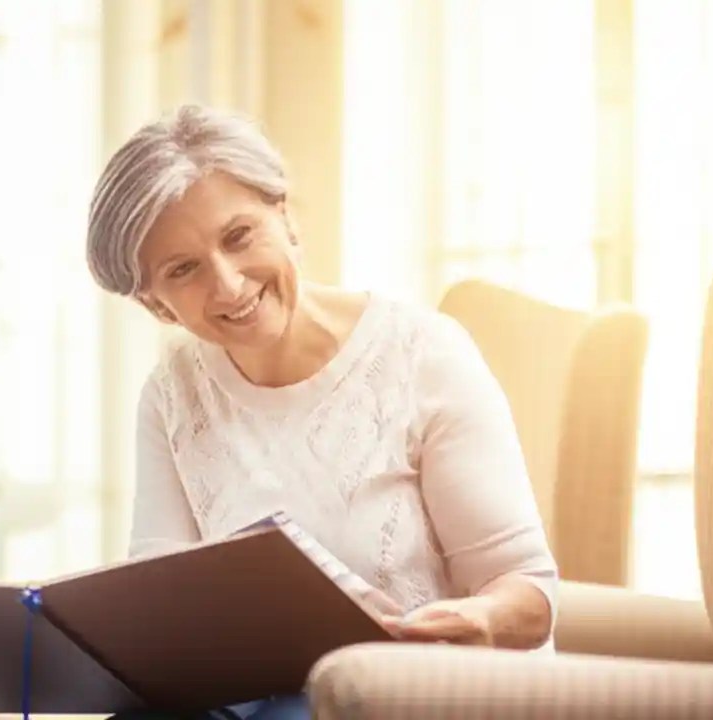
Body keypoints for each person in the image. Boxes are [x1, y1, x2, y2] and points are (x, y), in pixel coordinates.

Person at [86, 105, 559, 719]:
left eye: (239, 236)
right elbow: (160, 603)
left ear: (285, 219)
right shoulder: (173, 392)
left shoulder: (421, 355)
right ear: (158, 306)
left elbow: (528, 593)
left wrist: (480, 619)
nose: (228, 285)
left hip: (421, 696)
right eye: (184, 270)